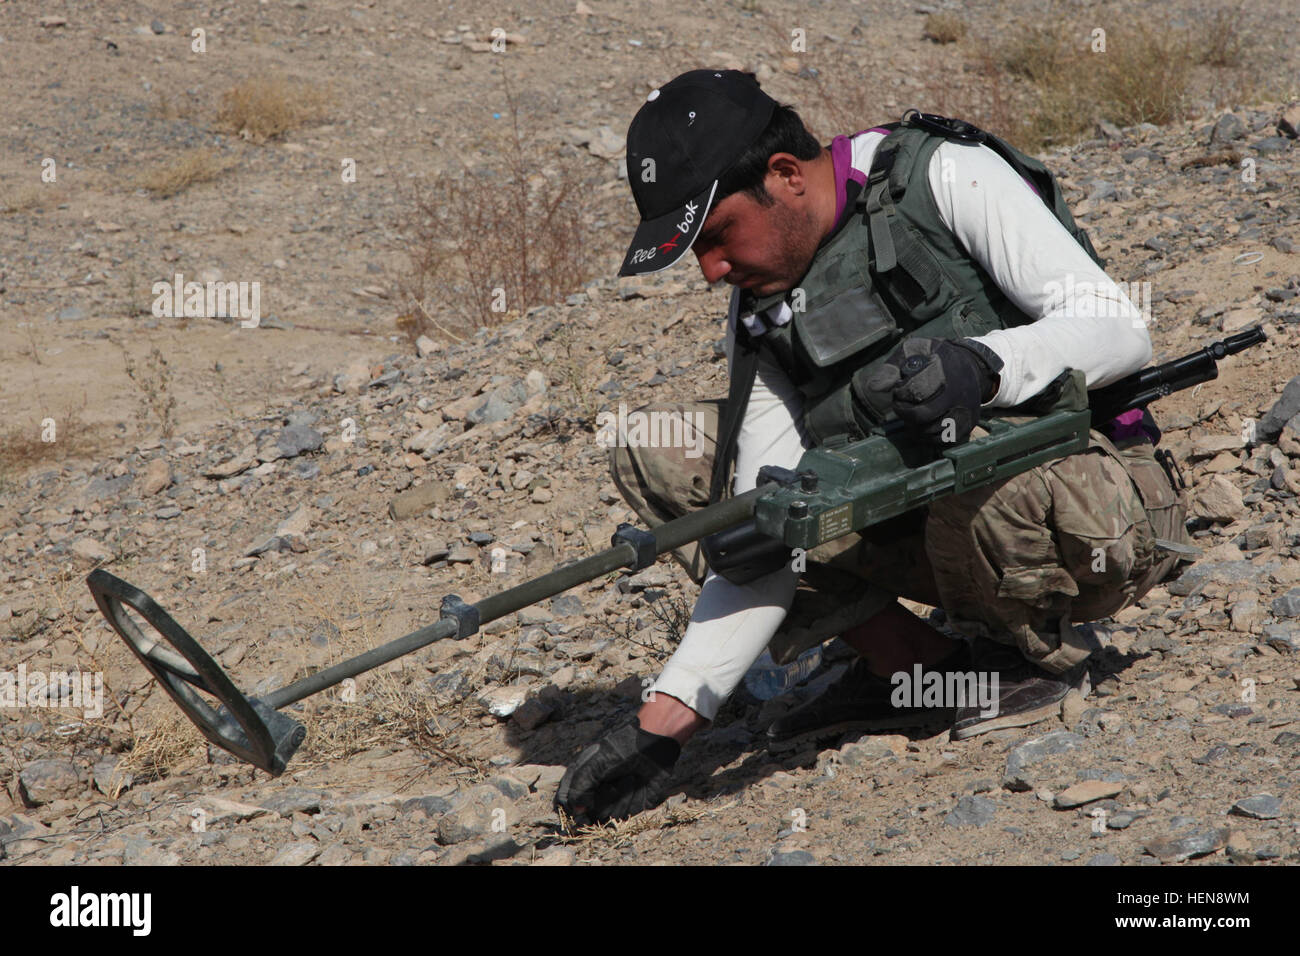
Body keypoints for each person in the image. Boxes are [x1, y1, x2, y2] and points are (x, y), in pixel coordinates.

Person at [555, 69, 1191, 825]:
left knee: (976, 463)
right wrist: (664, 726)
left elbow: (1121, 329)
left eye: (718, 235)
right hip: (939, 524)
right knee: (686, 469)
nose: (711, 270)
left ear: (786, 176)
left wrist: (984, 367)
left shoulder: (942, 173)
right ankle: (927, 673)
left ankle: (1027, 651)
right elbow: (777, 517)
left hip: (1089, 508)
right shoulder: (761, 310)